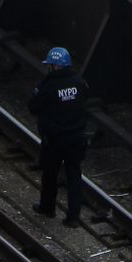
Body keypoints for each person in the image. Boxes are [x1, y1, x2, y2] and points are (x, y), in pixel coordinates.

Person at [27, 46, 90, 227]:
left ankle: (48, 207)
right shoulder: (79, 83)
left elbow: (33, 106)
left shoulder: (48, 86)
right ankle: (74, 217)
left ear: (54, 66)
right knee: (74, 175)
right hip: (77, 138)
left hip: (54, 140)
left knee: (50, 173)